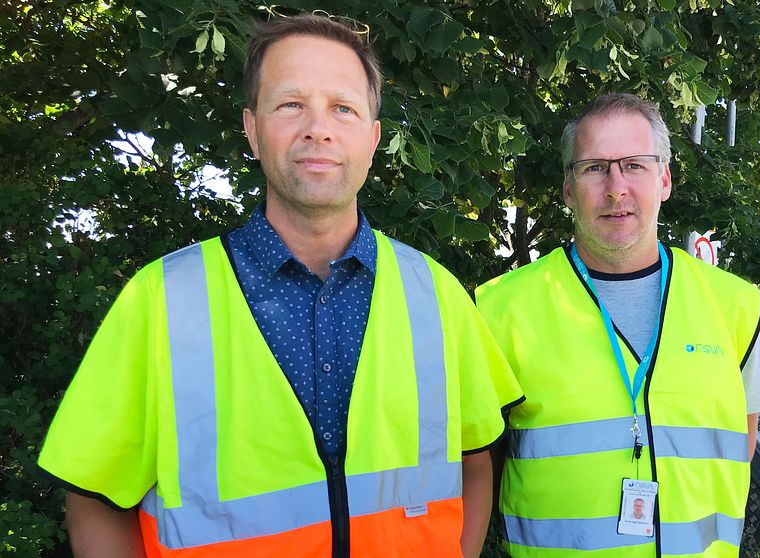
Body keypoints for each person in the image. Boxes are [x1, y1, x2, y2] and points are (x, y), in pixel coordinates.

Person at [38, 14, 522, 558]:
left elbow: (476, 460)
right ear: (251, 129)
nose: (319, 127)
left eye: (343, 108)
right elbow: (96, 497)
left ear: (373, 137)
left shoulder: (436, 293)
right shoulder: (160, 301)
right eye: (291, 105)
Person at [476, 93, 760, 557]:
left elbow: (740, 442)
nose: (616, 187)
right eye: (594, 167)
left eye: (634, 165)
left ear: (664, 180)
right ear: (568, 188)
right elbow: (477, 465)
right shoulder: (501, 309)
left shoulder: (733, 304)